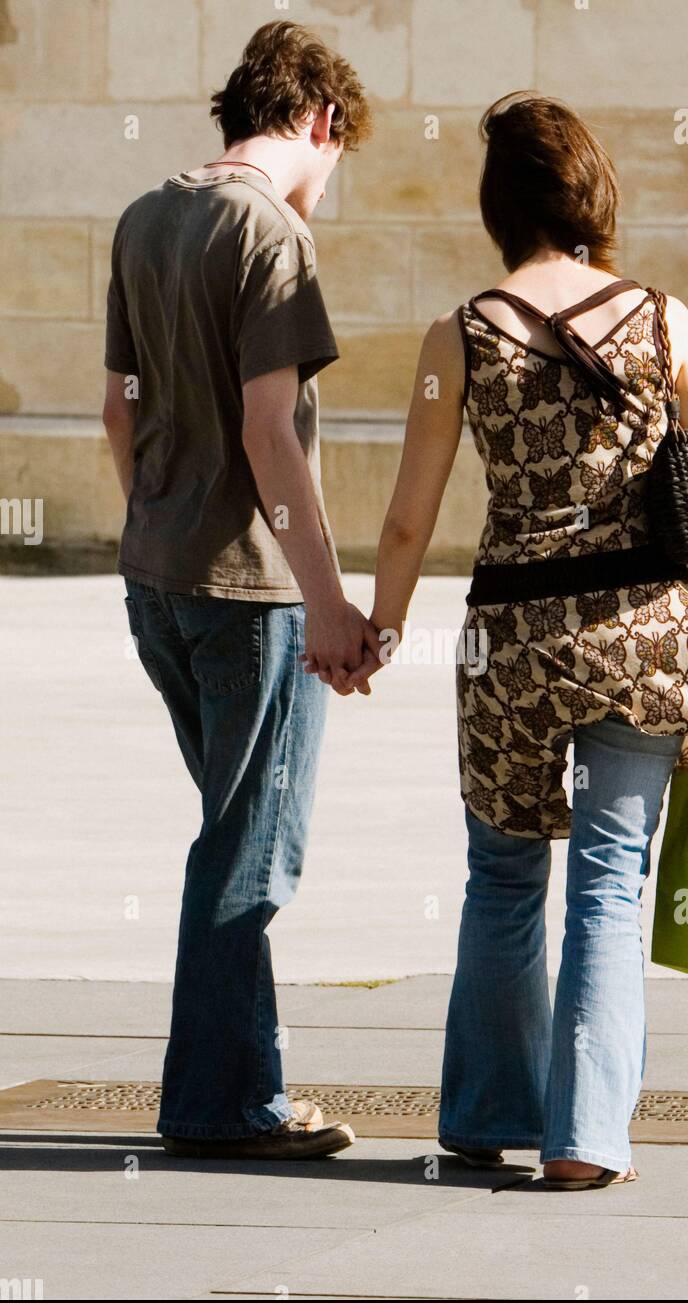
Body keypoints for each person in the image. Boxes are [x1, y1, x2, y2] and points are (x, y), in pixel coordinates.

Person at [327, 91, 688, 1189]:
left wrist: (379, 631)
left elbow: (406, 517)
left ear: (495, 205)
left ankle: (482, 1114)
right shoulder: (664, 319)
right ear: (591, 195)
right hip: (641, 635)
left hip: (508, 646)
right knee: (609, 878)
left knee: (499, 874)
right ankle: (583, 1140)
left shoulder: (457, 335)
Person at [101, 21, 378, 1159]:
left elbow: (118, 411)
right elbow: (274, 435)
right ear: (320, 122)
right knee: (251, 852)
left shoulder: (145, 217)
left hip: (156, 579)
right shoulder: (271, 234)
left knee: (232, 838)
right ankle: (217, 1105)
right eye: (338, 156)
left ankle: (246, 1086)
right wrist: (328, 600)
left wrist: (151, 517)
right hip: (246, 594)